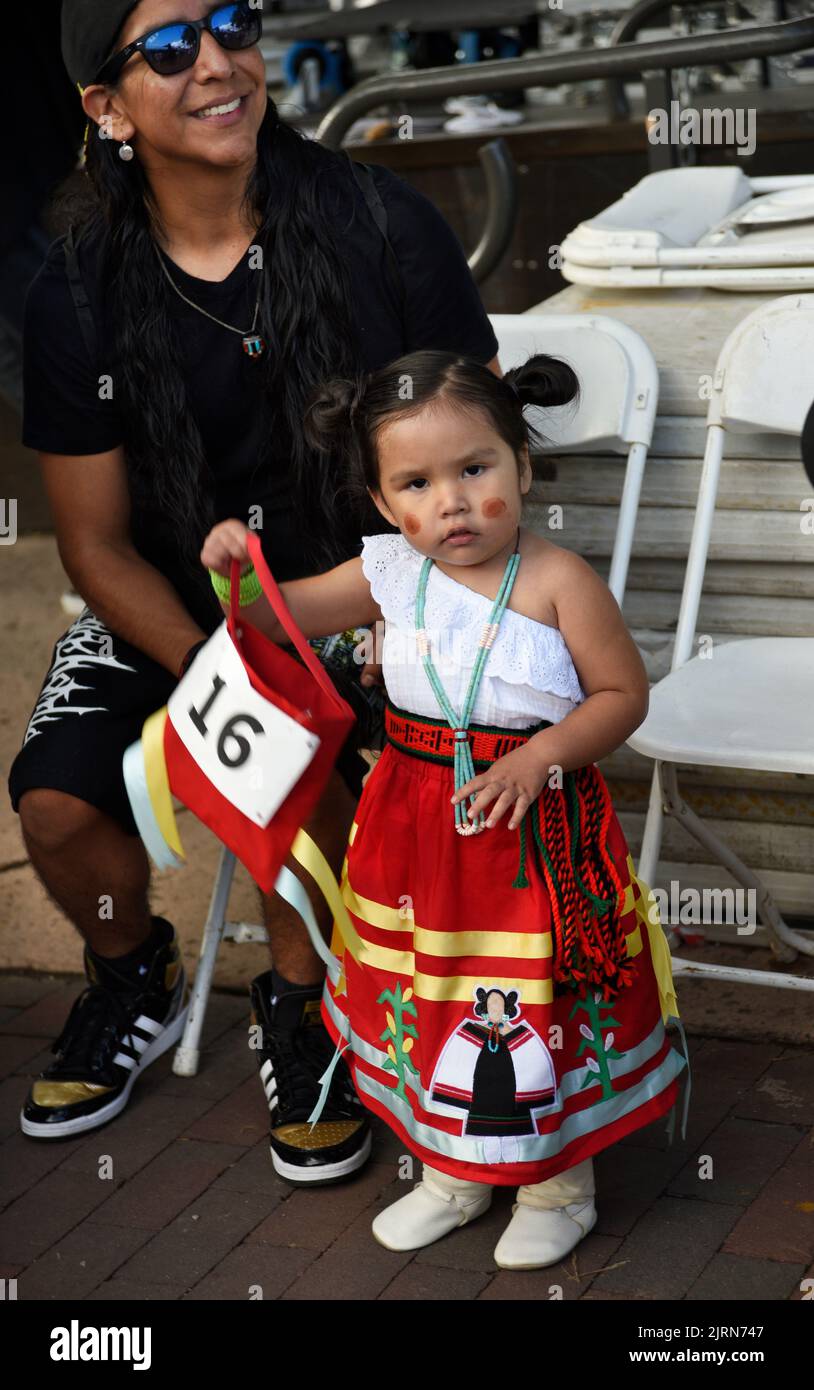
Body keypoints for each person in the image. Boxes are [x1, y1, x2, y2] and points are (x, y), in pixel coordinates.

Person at [8, 0, 501, 1184]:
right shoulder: (75, 291)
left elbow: (471, 449)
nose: (218, 62)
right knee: (57, 807)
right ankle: (134, 972)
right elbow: (95, 545)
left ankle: (302, 1000)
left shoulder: (383, 227)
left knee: (309, 765)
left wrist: (363, 615)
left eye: (233, 23)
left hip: (371, 587)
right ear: (106, 107)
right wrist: (214, 666)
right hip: (179, 608)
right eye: (169, 49)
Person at [200, 348, 689, 1269]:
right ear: (385, 505)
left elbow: (623, 695)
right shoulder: (387, 573)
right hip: (413, 825)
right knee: (432, 987)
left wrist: (543, 755)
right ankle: (454, 1171)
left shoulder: (558, 581)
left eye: (475, 470)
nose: (452, 502)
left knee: (525, 993)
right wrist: (238, 566)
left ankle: (554, 1182)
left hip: (529, 831)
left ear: (523, 467)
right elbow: (274, 616)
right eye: (417, 483)